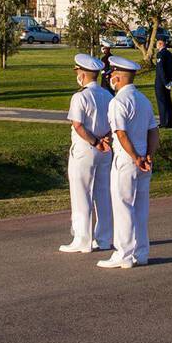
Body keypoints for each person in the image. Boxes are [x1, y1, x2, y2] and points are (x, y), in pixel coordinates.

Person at [98, 55, 159, 269]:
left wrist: (135, 157)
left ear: (119, 77)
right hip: (144, 159)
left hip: (127, 159)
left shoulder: (118, 102)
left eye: (113, 76)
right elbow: (153, 131)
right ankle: (141, 252)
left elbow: (121, 134)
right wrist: (148, 155)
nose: (111, 80)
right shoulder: (143, 99)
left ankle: (123, 254)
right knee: (141, 208)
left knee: (123, 206)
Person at [60, 53, 114, 253]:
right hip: (105, 149)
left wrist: (95, 141)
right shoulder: (108, 95)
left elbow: (78, 125)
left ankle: (82, 239)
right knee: (103, 193)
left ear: (82, 74)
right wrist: (104, 139)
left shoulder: (80, 96)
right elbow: (112, 123)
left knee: (81, 193)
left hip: (85, 148)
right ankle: (104, 238)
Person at [153, 36, 172, 128]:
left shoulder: (160, 54)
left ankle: (164, 122)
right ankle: (169, 122)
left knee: (162, 102)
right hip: (168, 81)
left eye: (157, 43)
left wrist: (165, 82)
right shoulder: (169, 54)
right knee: (168, 102)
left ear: (161, 44)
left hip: (161, 82)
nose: (156, 45)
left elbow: (161, 69)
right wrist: (171, 81)